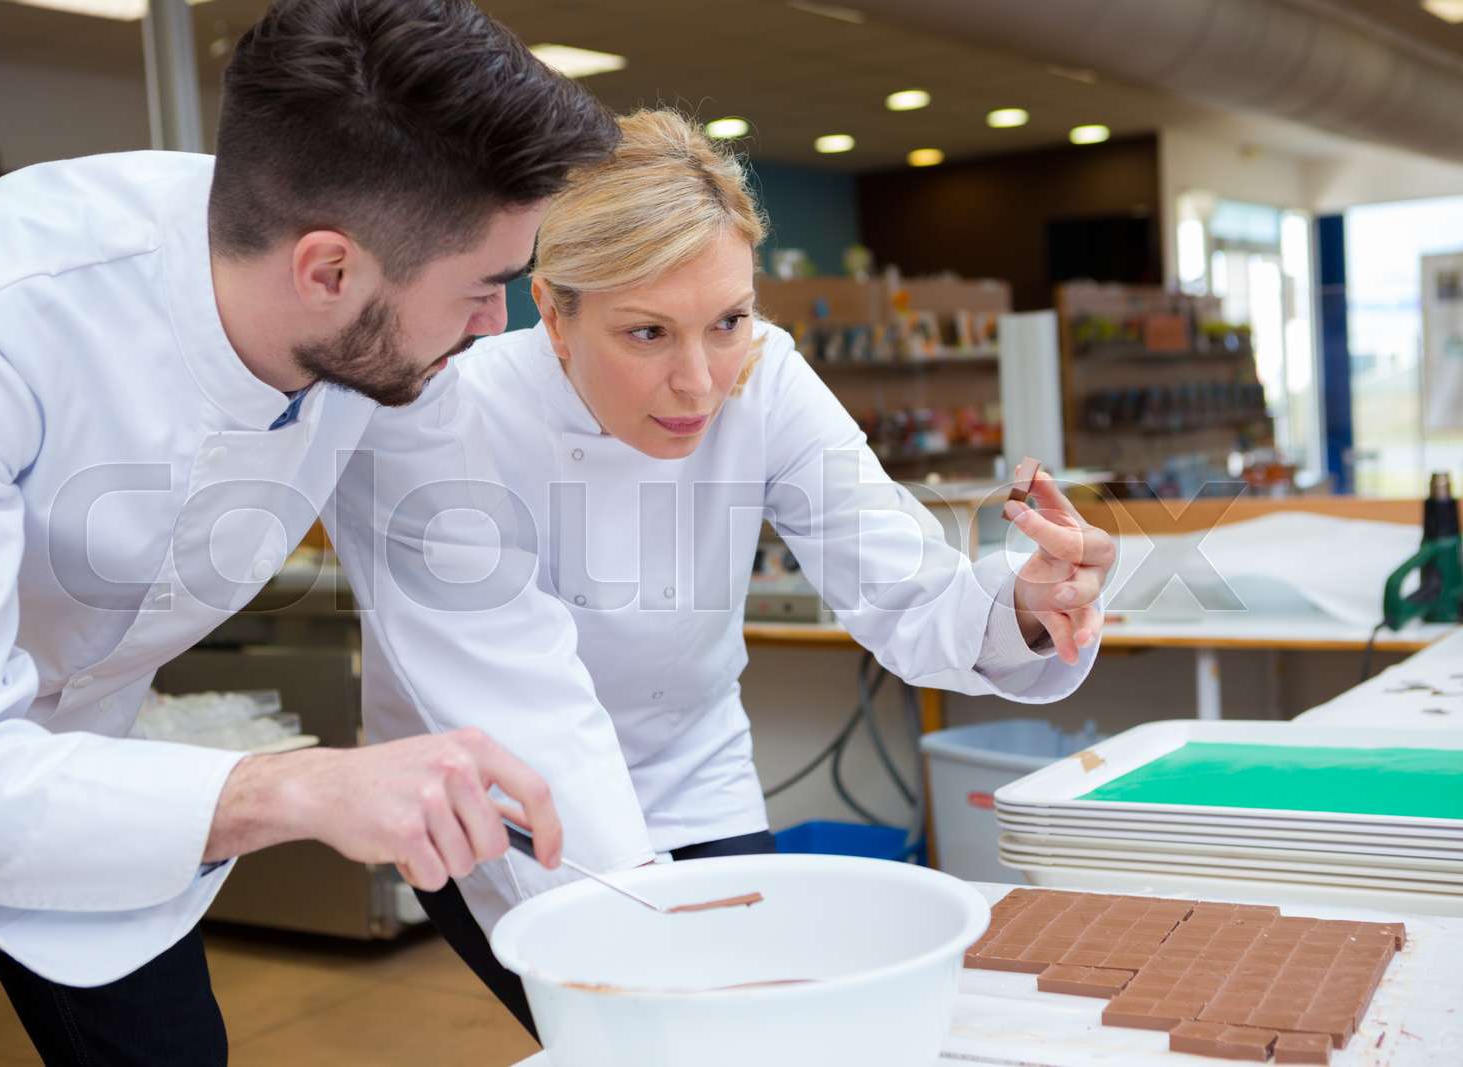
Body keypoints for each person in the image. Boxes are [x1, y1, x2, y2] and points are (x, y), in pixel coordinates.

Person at [0, 1, 649, 1062]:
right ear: (327, 271)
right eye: (483, 288)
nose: (495, 327)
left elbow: (490, 622)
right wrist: (290, 786)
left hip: (81, 752)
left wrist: (643, 930)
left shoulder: (386, 344)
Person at [370, 109, 1118, 1033]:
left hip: (696, 768)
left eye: (728, 320)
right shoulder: (455, 418)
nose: (700, 382)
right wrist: (659, 929)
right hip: (502, 801)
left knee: (768, 1028)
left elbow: (905, 582)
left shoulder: (763, 377)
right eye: (647, 334)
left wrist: (1026, 607)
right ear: (553, 313)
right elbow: (524, 706)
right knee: (646, 1035)